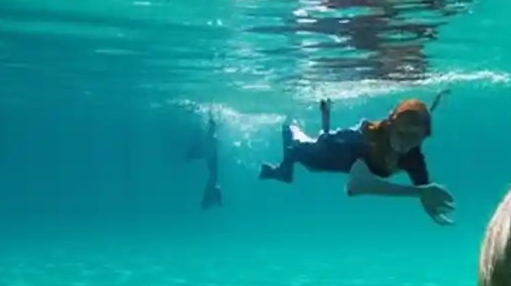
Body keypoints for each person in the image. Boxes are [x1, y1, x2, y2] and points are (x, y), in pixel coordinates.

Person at [259, 90, 455, 225]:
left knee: (309, 139)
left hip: (335, 146)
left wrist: (428, 203)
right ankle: (285, 168)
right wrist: (420, 193)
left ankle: (284, 171)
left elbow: (425, 190)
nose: (406, 144)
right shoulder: (365, 141)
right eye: (402, 135)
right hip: (317, 155)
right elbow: (356, 187)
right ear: (390, 126)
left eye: (415, 138)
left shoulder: (412, 155)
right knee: (290, 131)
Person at [185, 110, 223, 210]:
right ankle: (209, 200)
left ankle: (209, 200)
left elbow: (206, 150)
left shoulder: (211, 140)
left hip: (211, 157)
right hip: (211, 157)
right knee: (213, 177)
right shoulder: (211, 140)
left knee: (213, 177)